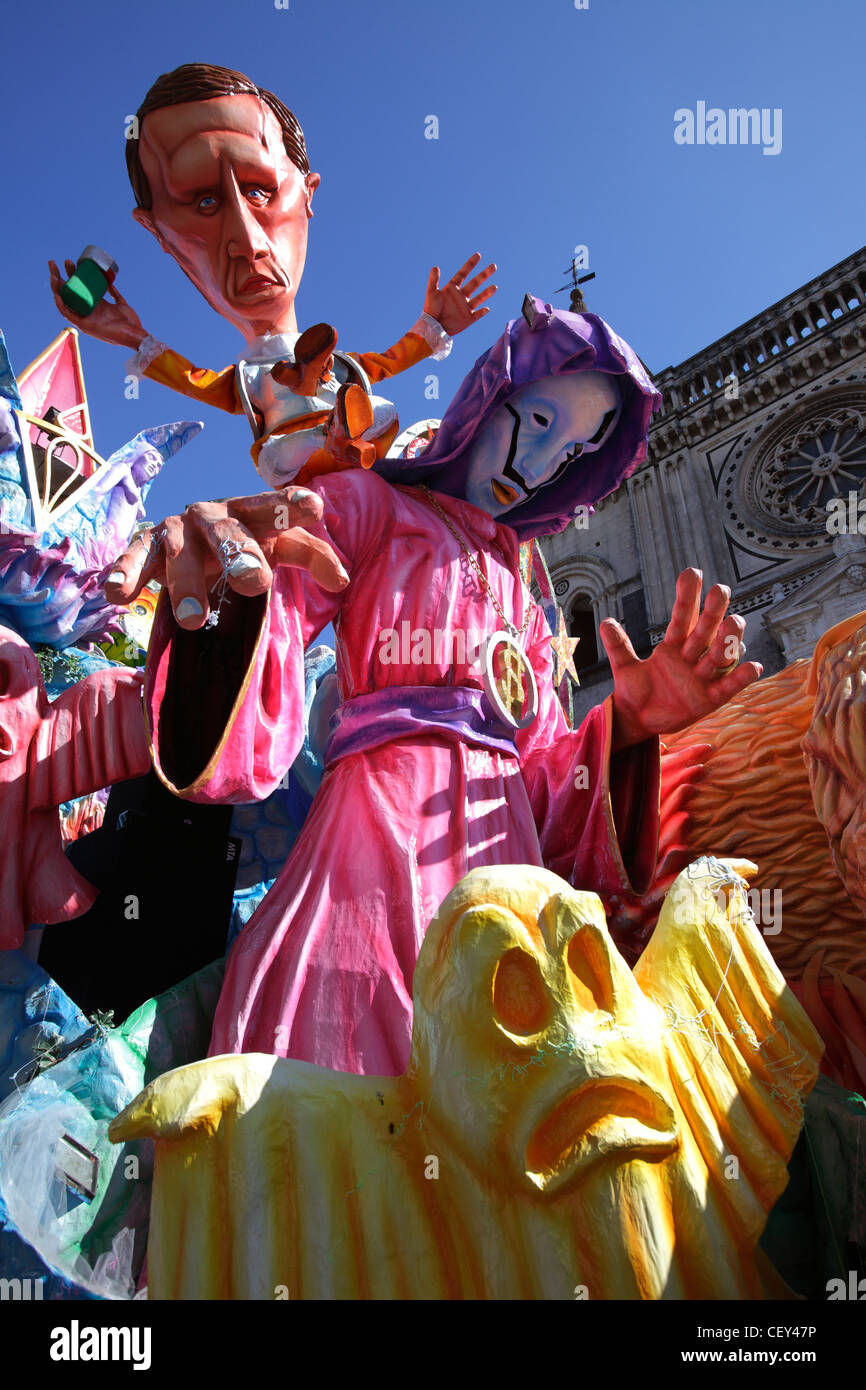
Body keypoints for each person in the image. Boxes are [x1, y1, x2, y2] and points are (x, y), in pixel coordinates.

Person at [106, 299, 762, 1076]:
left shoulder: (521, 599)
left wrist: (628, 726)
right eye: (542, 421)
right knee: (349, 1086)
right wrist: (225, 590)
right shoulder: (368, 505)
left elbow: (546, 787)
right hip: (375, 854)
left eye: (576, 448)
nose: (546, 463)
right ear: (490, 398)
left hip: (506, 881)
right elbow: (272, 624)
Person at [48, 62, 497, 492]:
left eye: (260, 190)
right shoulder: (247, 378)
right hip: (290, 460)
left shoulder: (339, 367)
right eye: (204, 203)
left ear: (307, 193)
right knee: (288, 451)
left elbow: (384, 363)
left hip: (360, 469)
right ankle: (329, 435)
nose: (249, 242)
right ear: (159, 234)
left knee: (380, 410)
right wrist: (133, 337)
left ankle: (341, 431)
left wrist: (432, 328)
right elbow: (196, 380)